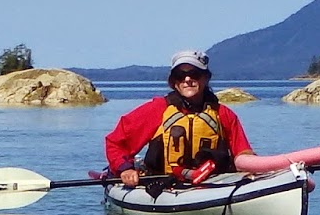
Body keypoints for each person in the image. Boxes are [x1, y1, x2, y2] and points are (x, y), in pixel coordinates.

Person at [104, 49, 254, 189]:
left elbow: (243, 153)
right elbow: (115, 143)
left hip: (212, 183)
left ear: (206, 78)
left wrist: (252, 168)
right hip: (163, 184)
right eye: (180, 75)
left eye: (194, 73)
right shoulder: (156, 110)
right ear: (173, 81)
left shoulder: (223, 114)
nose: (187, 79)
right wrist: (125, 169)